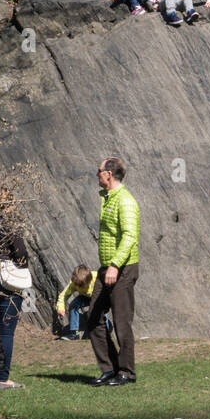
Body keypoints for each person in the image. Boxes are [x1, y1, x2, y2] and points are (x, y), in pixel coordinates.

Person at [90, 157, 141, 386]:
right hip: (107, 267)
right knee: (93, 318)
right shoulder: (108, 198)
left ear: (109, 173)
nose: (97, 174)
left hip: (122, 268)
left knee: (121, 322)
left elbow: (130, 236)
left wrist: (115, 265)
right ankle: (110, 369)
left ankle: (127, 372)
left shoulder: (126, 201)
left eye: (99, 170)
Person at [0, 192, 29, 390]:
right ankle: (2, 378)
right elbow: (21, 253)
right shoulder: (9, 226)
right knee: (6, 331)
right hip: (7, 283)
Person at [56, 265, 97, 339]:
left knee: (99, 310)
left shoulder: (96, 277)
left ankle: (101, 332)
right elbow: (63, 295)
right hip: (86, 297)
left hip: (99, 297)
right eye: (78, 286)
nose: (80, 287)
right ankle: (75, 333)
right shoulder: (74, 283)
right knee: (73, 305)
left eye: (82, 285)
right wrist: (60, 308)